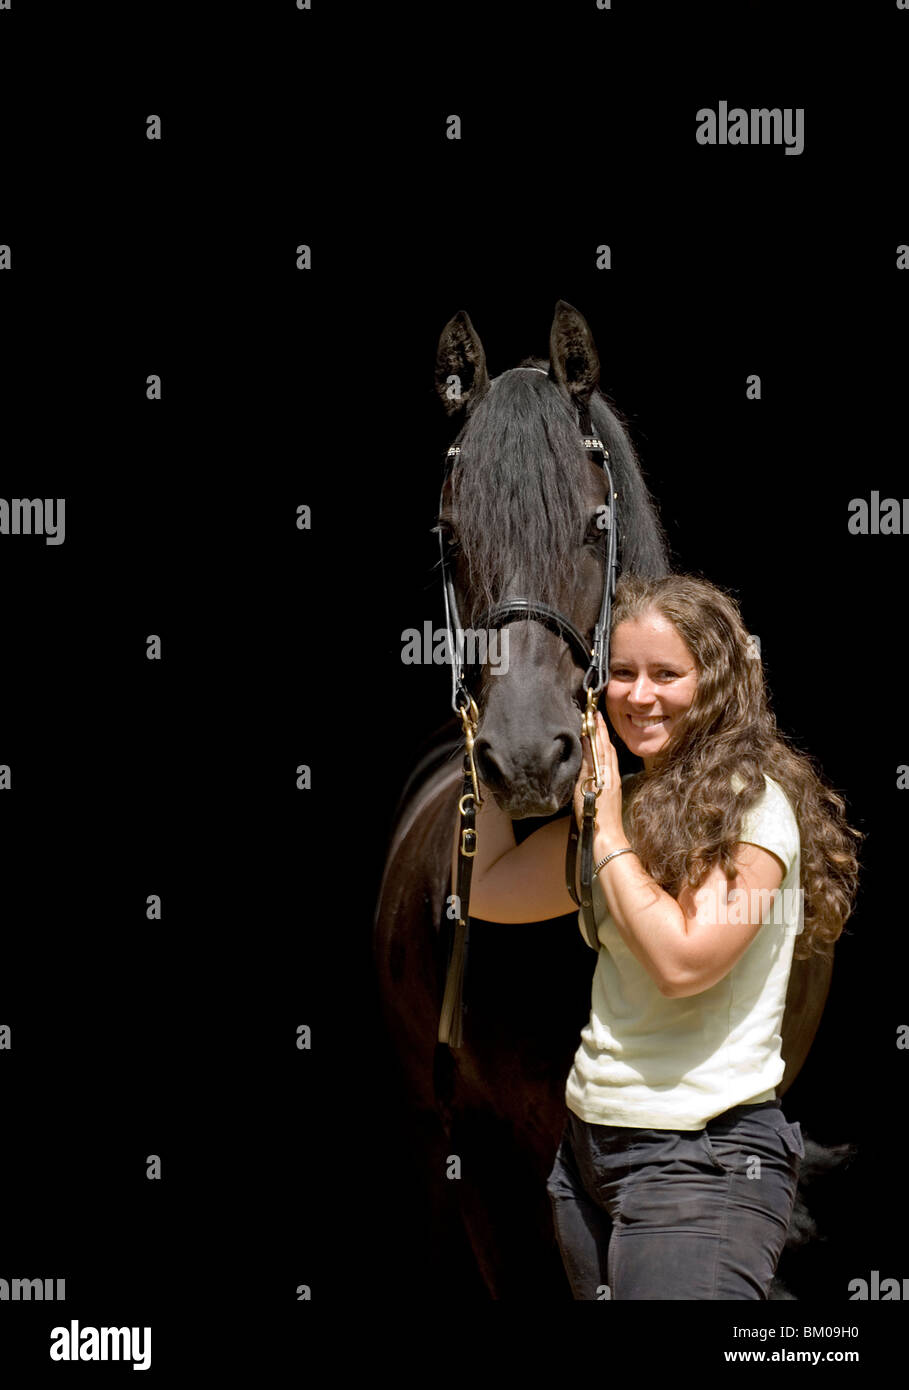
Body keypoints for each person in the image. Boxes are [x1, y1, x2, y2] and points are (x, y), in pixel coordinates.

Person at [463, 572, 861, 1300]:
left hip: (698, 1165)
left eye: (665, 674)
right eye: (620, 673)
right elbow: (488, 892)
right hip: (586, 1157)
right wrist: (486, 741)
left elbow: (684, 961)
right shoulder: (631, 804)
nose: (638, 695)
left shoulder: (752, 807)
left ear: (715, 684)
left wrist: (605, 827)